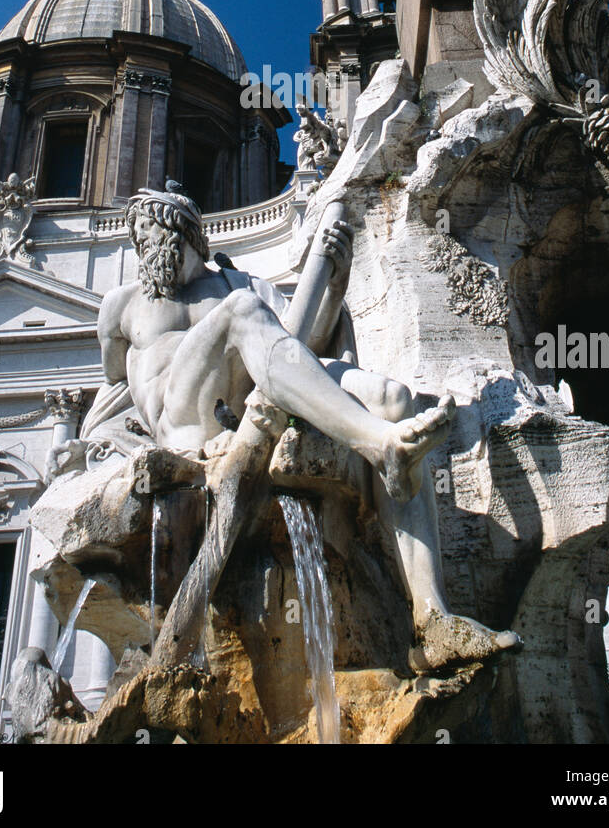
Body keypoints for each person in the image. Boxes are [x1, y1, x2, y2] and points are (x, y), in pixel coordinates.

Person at [82, 184, 519, 668]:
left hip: (254, 402)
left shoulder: (235, 284)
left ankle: (434, 618)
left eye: (144, 229)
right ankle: (381, 444)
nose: (138, 243)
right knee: (245, 313)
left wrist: (334, 284)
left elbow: (296, 343)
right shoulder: (123, 305)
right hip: (186, 424)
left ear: (175, 230)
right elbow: (114, 389)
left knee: (395, 399)